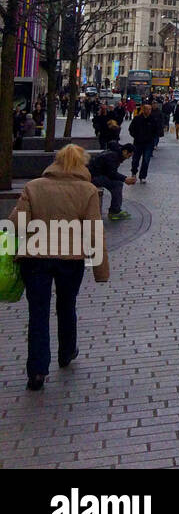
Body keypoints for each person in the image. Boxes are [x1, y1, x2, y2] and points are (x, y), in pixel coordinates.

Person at [8, 145, 109, 389]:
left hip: (35, 258)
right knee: (67, 305)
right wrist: (101, 269)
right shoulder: (87, 190)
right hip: (70, 259)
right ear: (81, 164)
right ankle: (66, 352)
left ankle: (37, 372)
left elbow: (16, 223)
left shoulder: (34, 186)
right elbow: (94, 231)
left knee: (38, 313)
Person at [89, 141, 137, 222]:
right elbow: (111, 173)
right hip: (93, 177)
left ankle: (115, 209)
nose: (128, 158)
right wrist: (125, 179)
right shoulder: (113, 156)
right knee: (117, 184)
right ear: (125, 151)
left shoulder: (114, 154)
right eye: (129, 155)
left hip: (95, 175)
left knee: (117, 183)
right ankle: (114, 211)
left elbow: (109, 172)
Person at [128, 103, 161, 184]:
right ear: (143, 110)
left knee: (146, 160)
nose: (149, 111)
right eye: (147, 109)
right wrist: (136, 136)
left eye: (150, 109)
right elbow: (131, 129)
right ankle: (134, 172)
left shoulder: (153, 119)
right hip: (138, 142)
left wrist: (153, 137)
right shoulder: (137, 119)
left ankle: (143, 176)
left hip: (149, 143)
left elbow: (157, 129)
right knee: (135, 159)